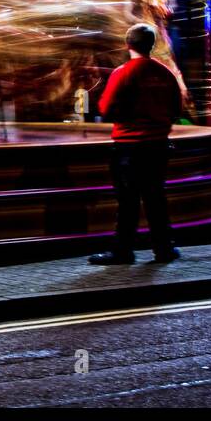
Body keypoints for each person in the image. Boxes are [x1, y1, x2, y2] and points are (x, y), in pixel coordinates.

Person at [89, 23, 184, 265]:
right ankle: (164, 249)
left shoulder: (123, 72)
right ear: (152, 44)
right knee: (156, 199)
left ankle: (123, 251)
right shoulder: (165, 73)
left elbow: (105, 108)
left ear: (127, 44)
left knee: (128, 202)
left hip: (129, 146)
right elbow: (175, 109)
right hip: (158, 145)